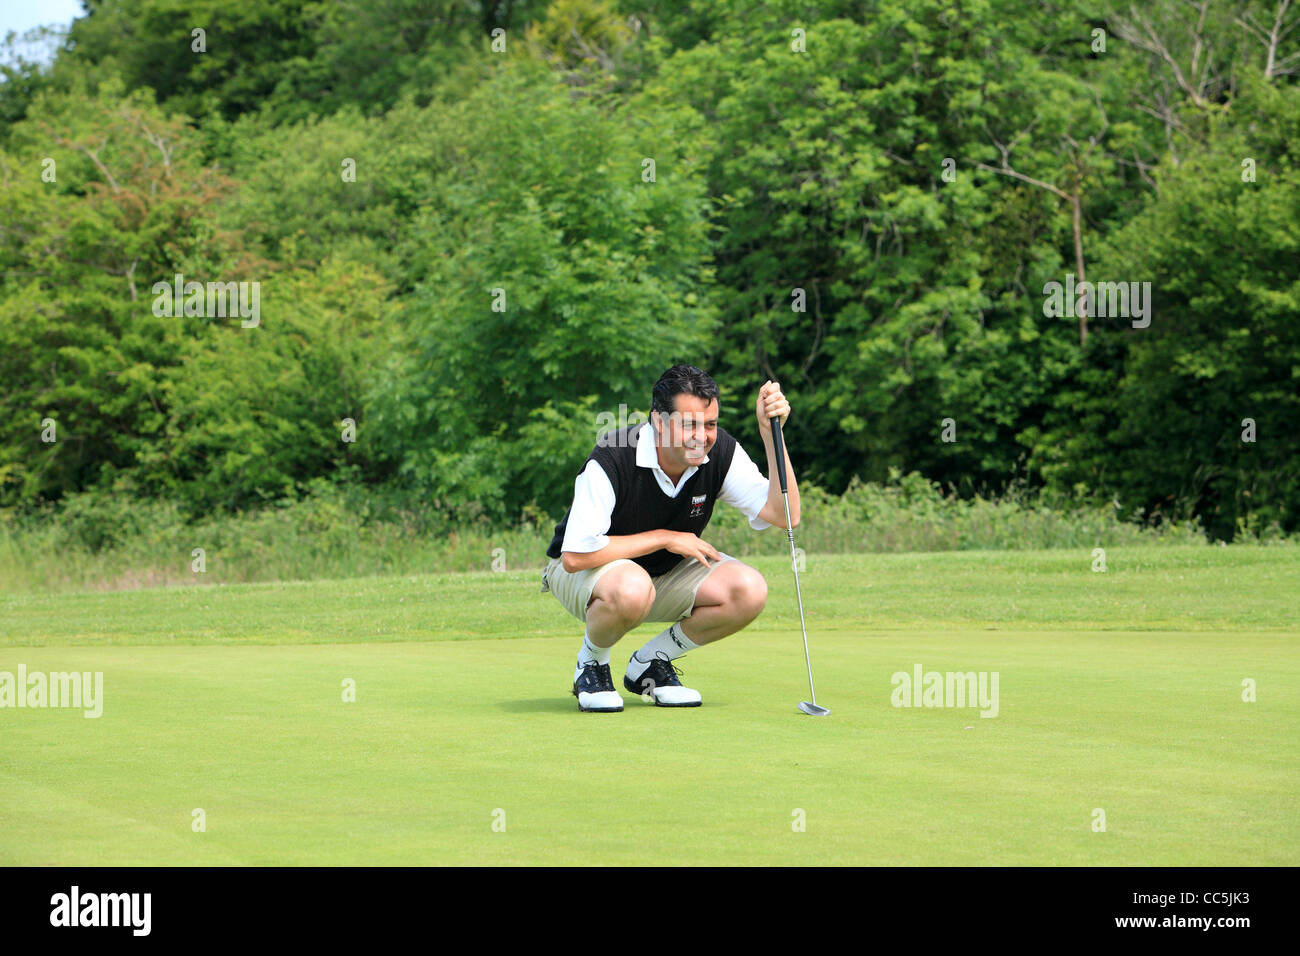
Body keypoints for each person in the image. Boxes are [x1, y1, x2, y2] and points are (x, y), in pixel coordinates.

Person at [540, 364, 800, 712]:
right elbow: (575, 556)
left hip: (660, 575)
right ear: (659, 422)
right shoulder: (614, 455)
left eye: (709, 424)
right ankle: (592, 664)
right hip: (583, 574)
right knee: (633, 586)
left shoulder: (720, 452)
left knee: (748, 589)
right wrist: (665, 537)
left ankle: (652, 661)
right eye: (688, 424)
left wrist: (771, 435)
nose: (702, 436)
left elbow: (785, 516)